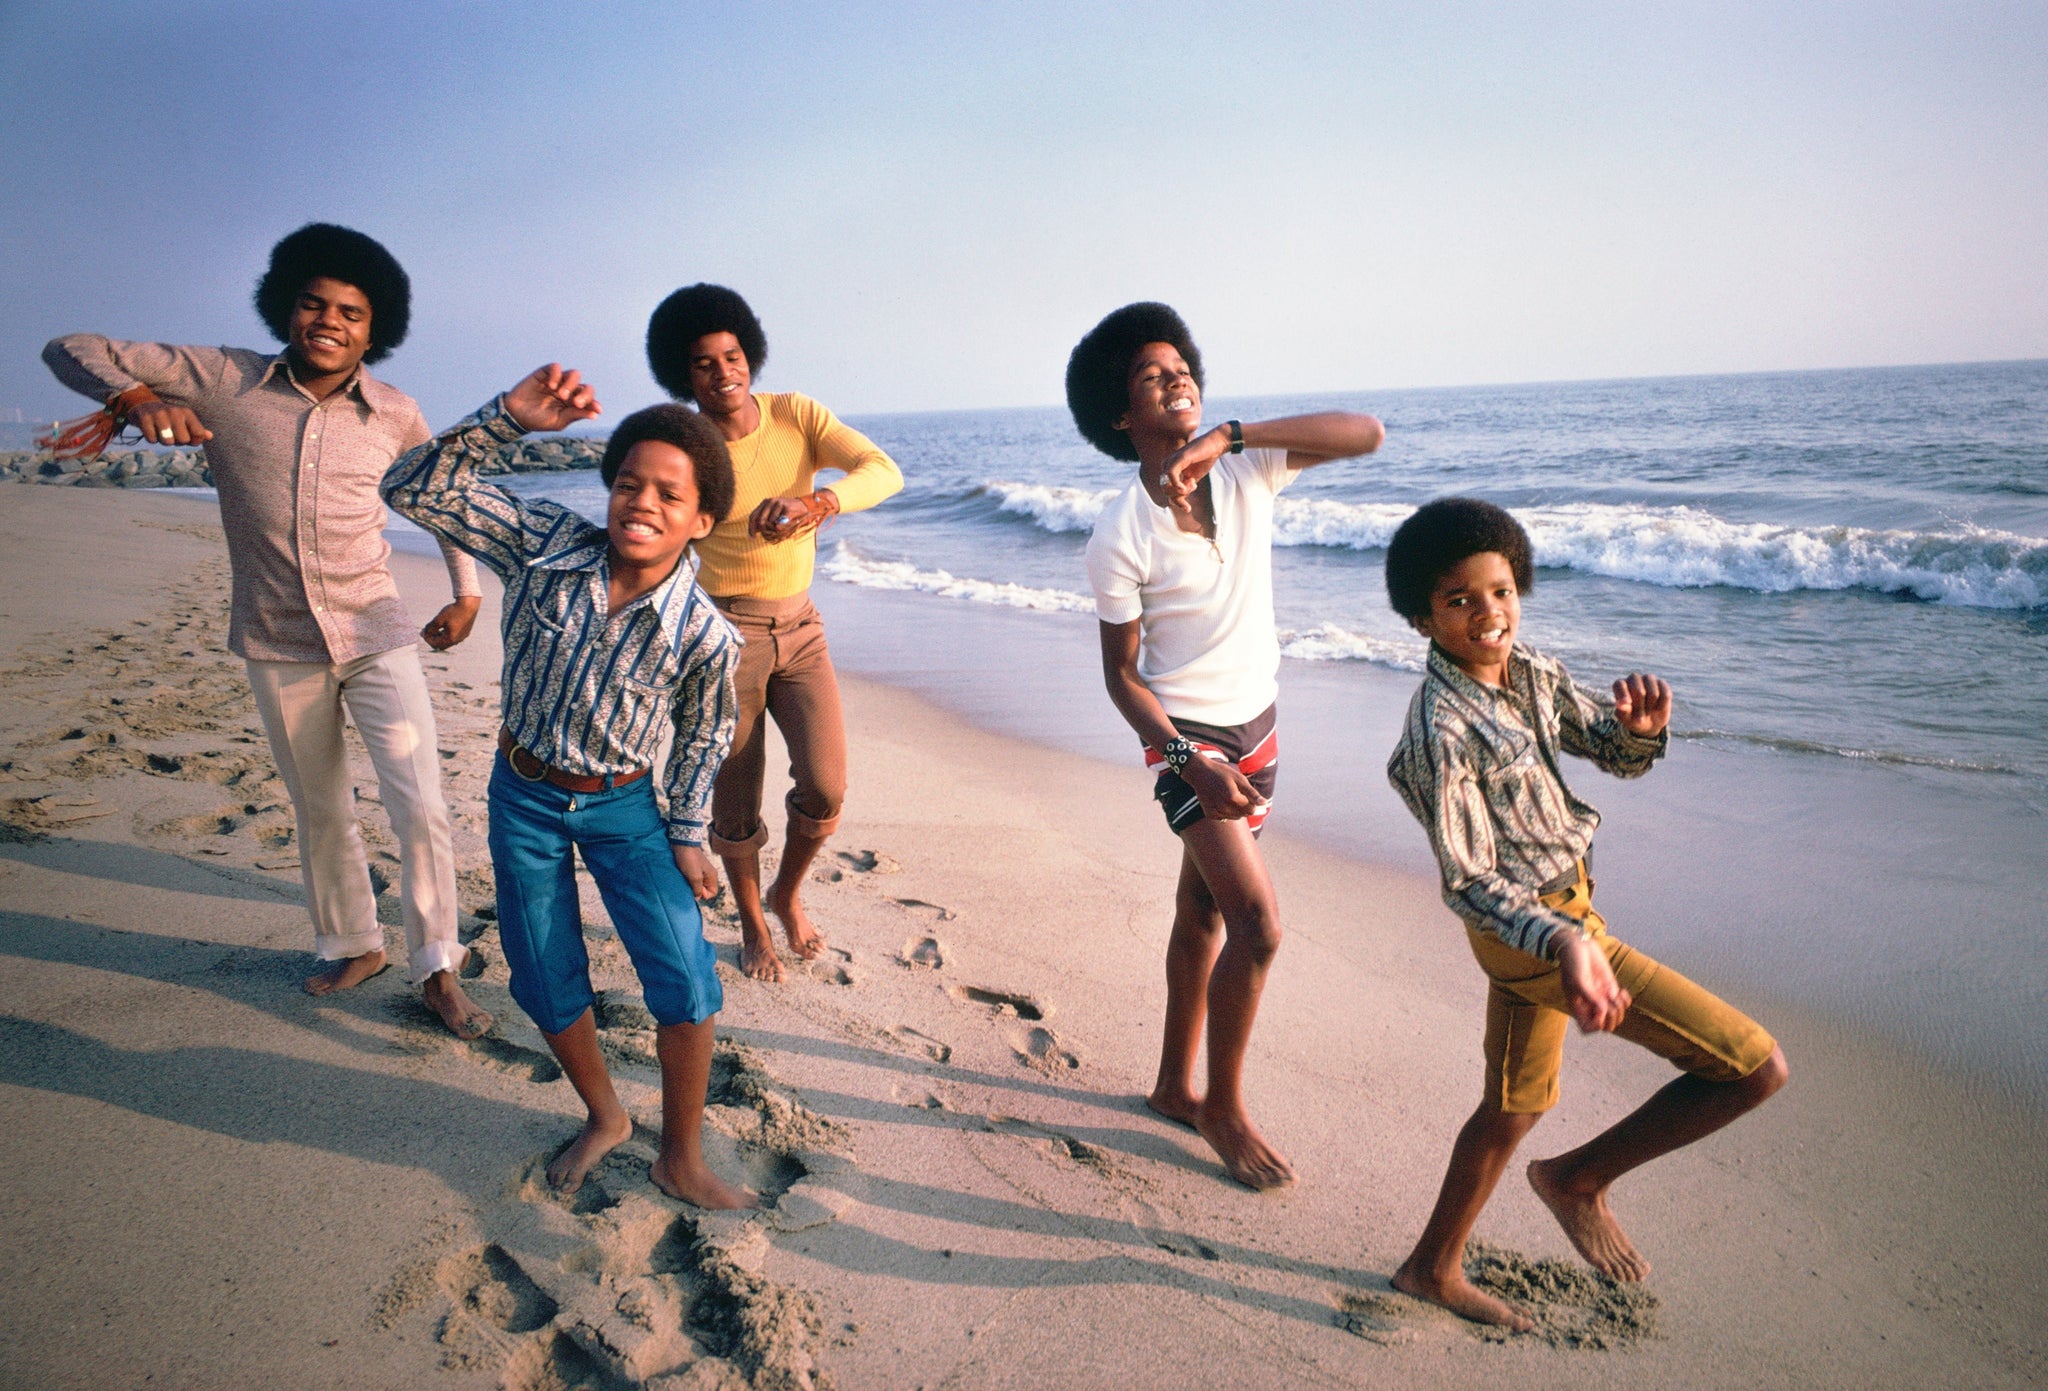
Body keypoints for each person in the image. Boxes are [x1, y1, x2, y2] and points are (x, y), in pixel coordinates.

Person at [41, 223, 491, 1038]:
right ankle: (355, 943)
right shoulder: (221, 377)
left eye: (351, 312)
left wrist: (466, 593)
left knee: (420, 802)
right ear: (285, 309)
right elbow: (69, 346)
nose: (329, 321)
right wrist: (134, 398)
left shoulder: (395, 411)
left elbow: (444, 496)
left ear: (374, 328)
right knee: (319, 804)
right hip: (276, 636)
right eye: (314, 304)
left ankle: (437, 966)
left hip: (377, 629)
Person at [1382, 497, 1789, 1329]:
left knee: (1512, 1105)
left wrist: (1639, 733)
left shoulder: (1530, 672)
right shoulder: (1438, 728)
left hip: (1559, 919)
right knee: (1753, 1067)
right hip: (1533, 932)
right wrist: (1568, 943)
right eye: (1459, 600)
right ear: (1423, 617)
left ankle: (1431, 1266)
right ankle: (1579, 1180)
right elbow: (1467, 879)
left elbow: (1610, 753)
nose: (1487, 613)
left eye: (1498, 590)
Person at [381, 364, 755, 1206]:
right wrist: (508, 419)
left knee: (685, 977)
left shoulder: (706, 633)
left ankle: (681, 1155)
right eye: (629, 483)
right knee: (543, 969)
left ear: (701, 519)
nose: (642, 503)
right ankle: (606, 1115)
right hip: (524, 795)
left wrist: (689, 829)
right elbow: (411, 485)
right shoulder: (544, 545)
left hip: (629, 807)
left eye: (668, 494)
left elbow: (705, 733)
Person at [1071, 302, 1385, 1189]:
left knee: (1202, 912)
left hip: (1259, 728)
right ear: (1121, 418)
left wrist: (1229, 436)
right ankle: (1222, 1103)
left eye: (1181, 369)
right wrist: (1187, 763)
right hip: (1185, 742)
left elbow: (1366, 433)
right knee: (1259, 925)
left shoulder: (1250, 472)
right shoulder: (1118, 531)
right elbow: (1122, 677)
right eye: (1148, 378)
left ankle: (1172, 1083)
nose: (1173, 381)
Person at [644, 284, 904, 983]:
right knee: (735, 795)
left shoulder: (797, 414)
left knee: (826, 786)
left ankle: (788, 891)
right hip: (723, 637)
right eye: (703, 363)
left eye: (732, 355)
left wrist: (820, 500)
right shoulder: (684, 443)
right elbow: (659, 528)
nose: (722, 372)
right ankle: (755, 922)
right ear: (683, 373)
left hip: (802, 628)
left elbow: (884, 470)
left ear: (749, 355)